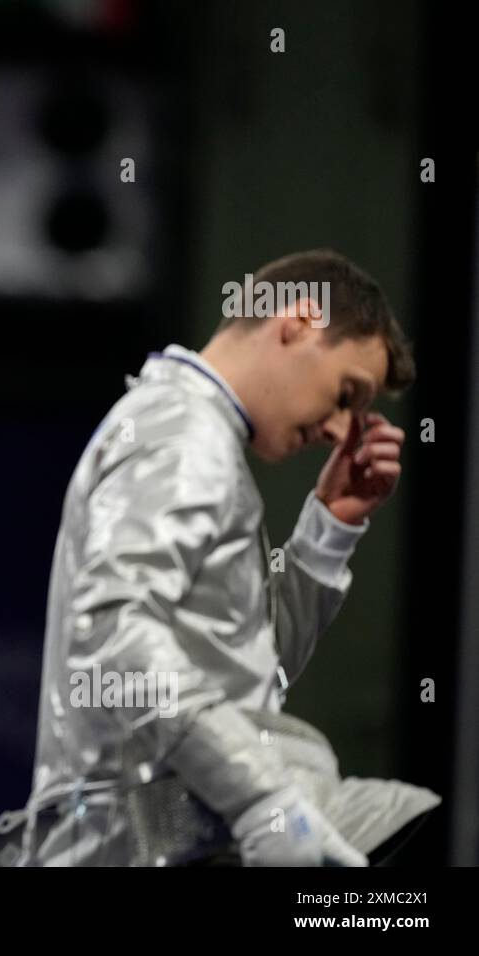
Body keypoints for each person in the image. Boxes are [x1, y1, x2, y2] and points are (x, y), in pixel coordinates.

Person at [26, 249, 414, 866]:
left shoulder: (196, 431)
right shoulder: (185, 431)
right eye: (346, 394)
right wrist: (263, 797)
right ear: (298, 323)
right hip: (130, 844)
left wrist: (329, 530)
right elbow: (112, 631)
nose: (343, 430)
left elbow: (240, 672)